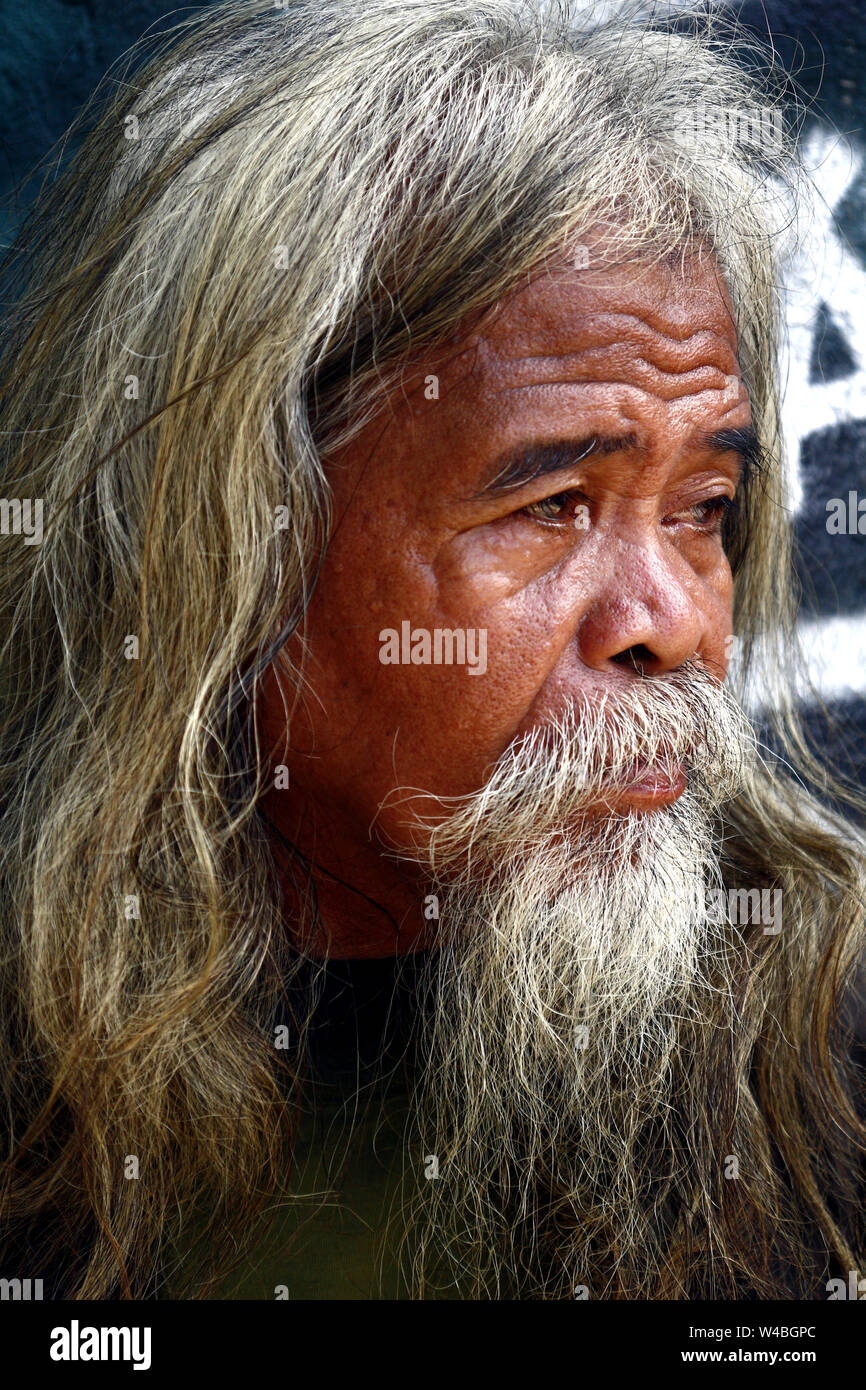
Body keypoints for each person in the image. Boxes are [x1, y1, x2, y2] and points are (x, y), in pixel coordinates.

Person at [1, 0, 865, 1301]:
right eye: (550, 505)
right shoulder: (37, 1084)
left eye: (702, 510)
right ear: (236, 526)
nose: (676, 624)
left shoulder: (820, 1064)